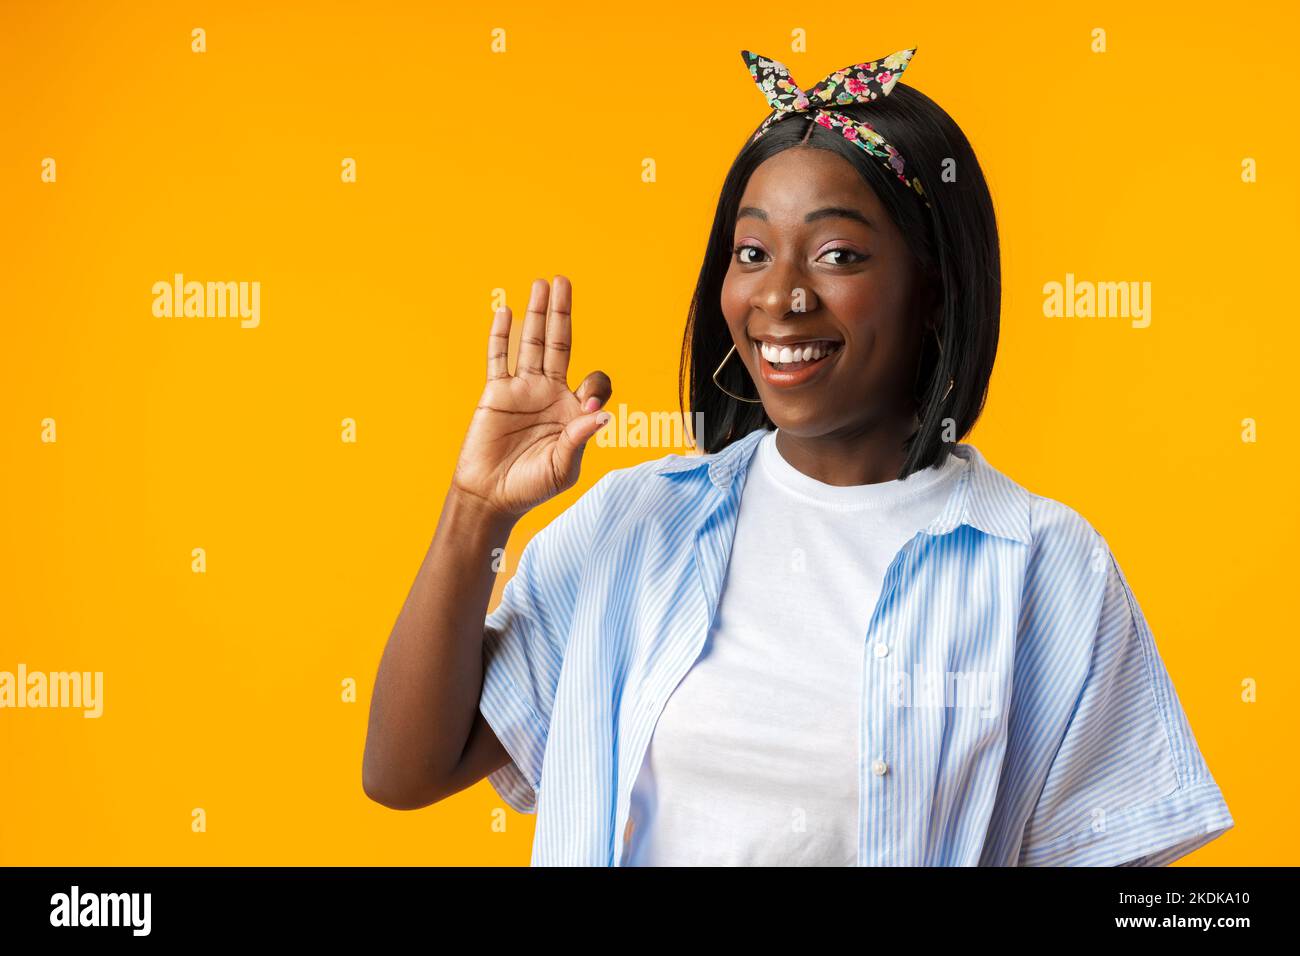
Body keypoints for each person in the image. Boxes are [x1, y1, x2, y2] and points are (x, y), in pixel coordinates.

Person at [362, 48, 1234, 867]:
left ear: (932, 291)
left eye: (837, 254)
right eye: (751, 253)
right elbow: (404, 772)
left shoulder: (1044, 565)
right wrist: (477, 512)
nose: (781, 295)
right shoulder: (635, 525)